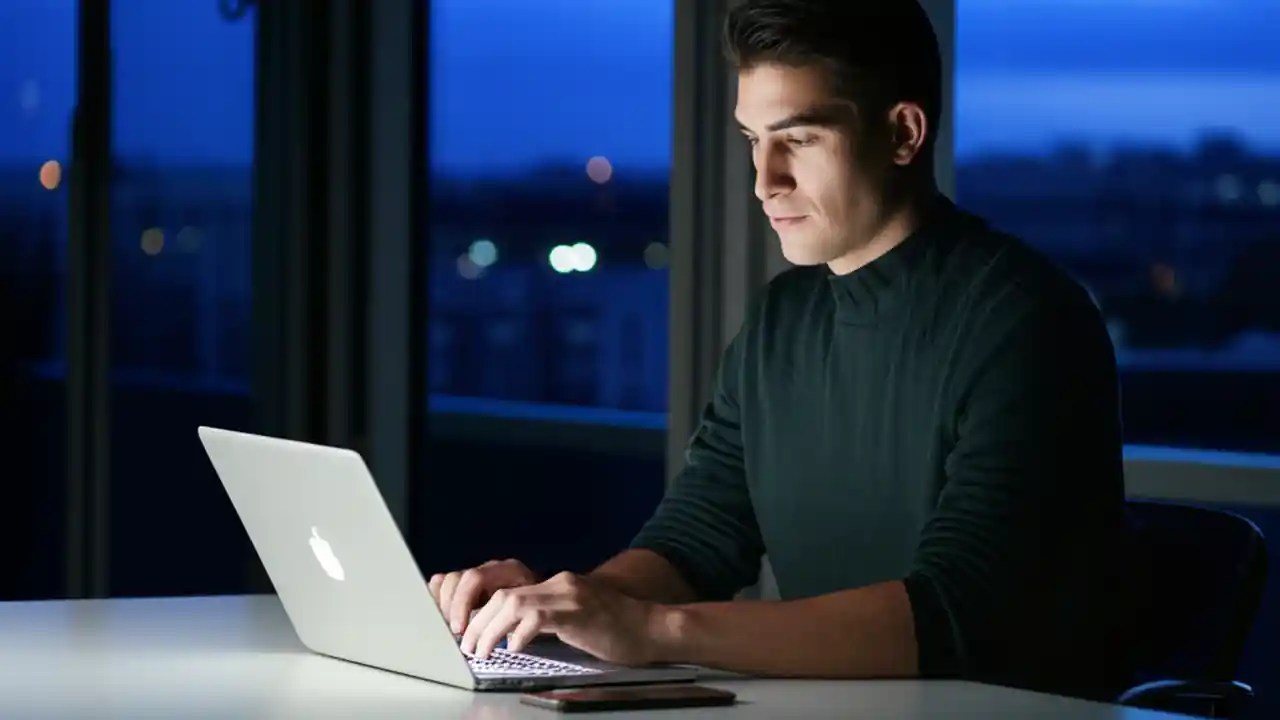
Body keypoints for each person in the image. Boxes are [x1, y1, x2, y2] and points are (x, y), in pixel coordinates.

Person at [429, 0, 1135, 701]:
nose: (764, 180)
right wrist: (560, 607)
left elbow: (956, 615)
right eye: (752, 139)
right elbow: (694, 541)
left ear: (903, 133)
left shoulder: (1025, 318)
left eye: (798, 140)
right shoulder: (781, 319)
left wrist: (657, 629)